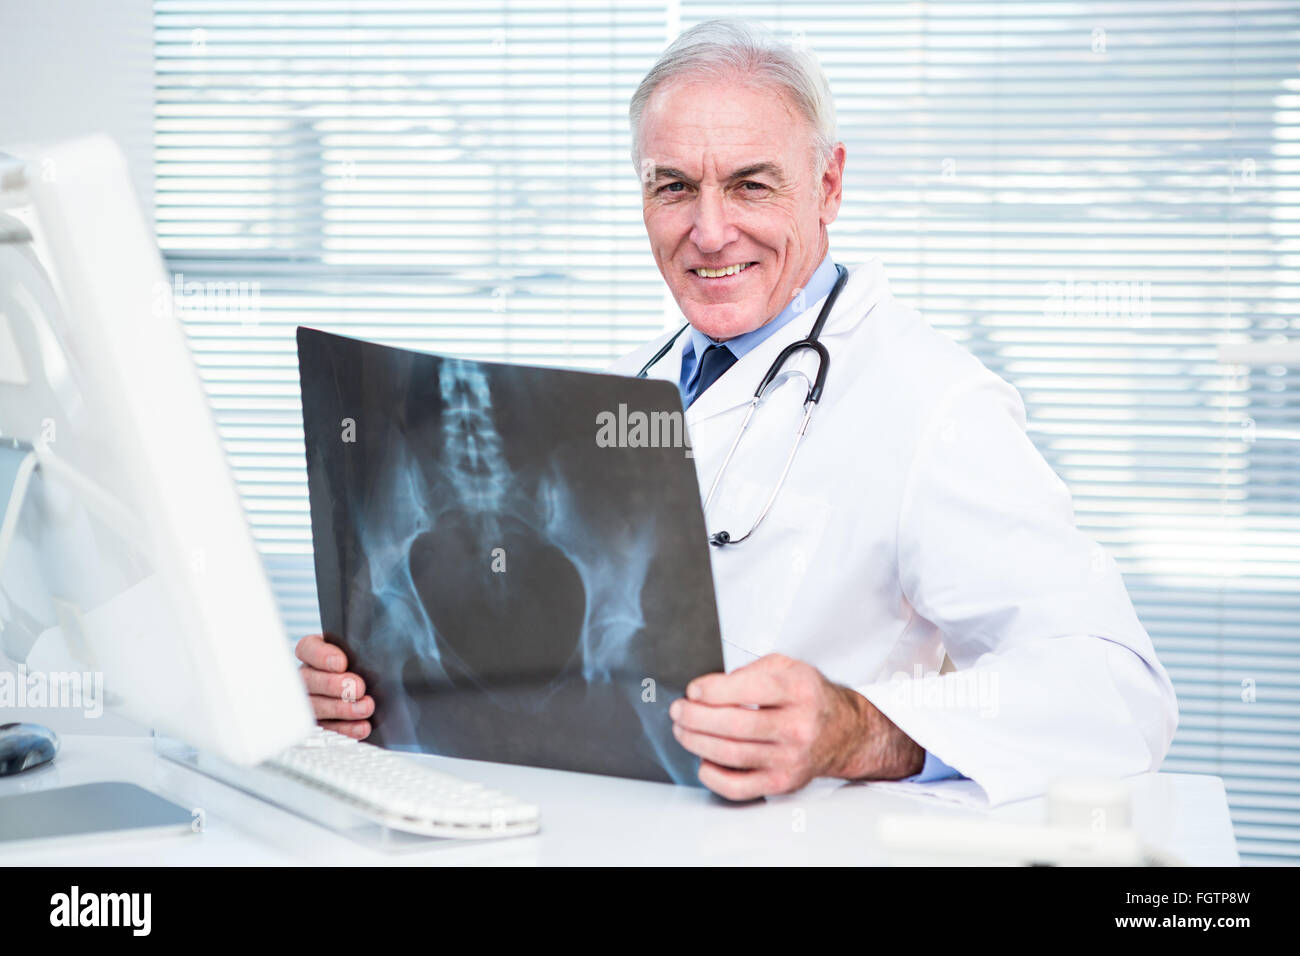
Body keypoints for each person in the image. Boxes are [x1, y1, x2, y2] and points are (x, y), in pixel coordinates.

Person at [297, 18, 1178, 805]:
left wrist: (860, 728)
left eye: (752, 185)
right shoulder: (613, 392)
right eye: (674, 186)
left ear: (828, 186)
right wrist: (375, 690)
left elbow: (1117, 690)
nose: (709, 231)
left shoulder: (932, 403)